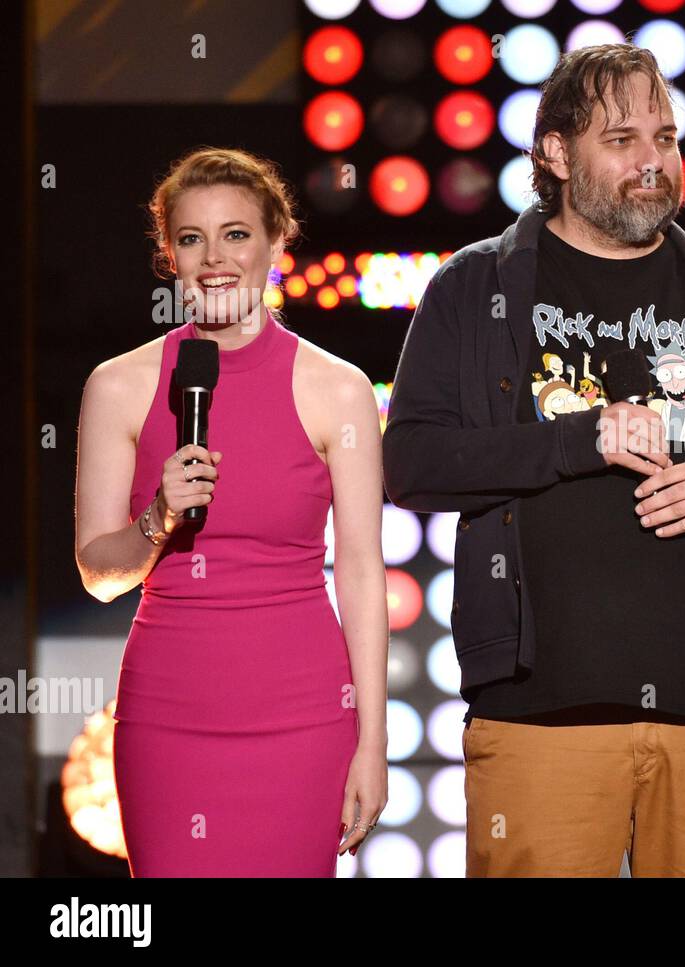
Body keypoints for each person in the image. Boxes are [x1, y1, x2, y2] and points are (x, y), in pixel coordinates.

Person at [383, 44, 685, 877]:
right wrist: (576, 438)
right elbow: (411, 463)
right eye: (622, 140)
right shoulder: (474, 287)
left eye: (665, 139)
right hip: (538, 718)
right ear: (556, 153)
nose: (653, 162)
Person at [74, 147, 389, 875]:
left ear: (277, 244)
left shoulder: (337, 389)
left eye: (236, 234)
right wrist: (157, 515)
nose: (215, 257)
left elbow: (365, 572)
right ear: (169, 256)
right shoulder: (118, 386)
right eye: (192, 238)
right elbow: (98, 572)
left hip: (304, 717)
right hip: (169, 717)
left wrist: (372, 743)